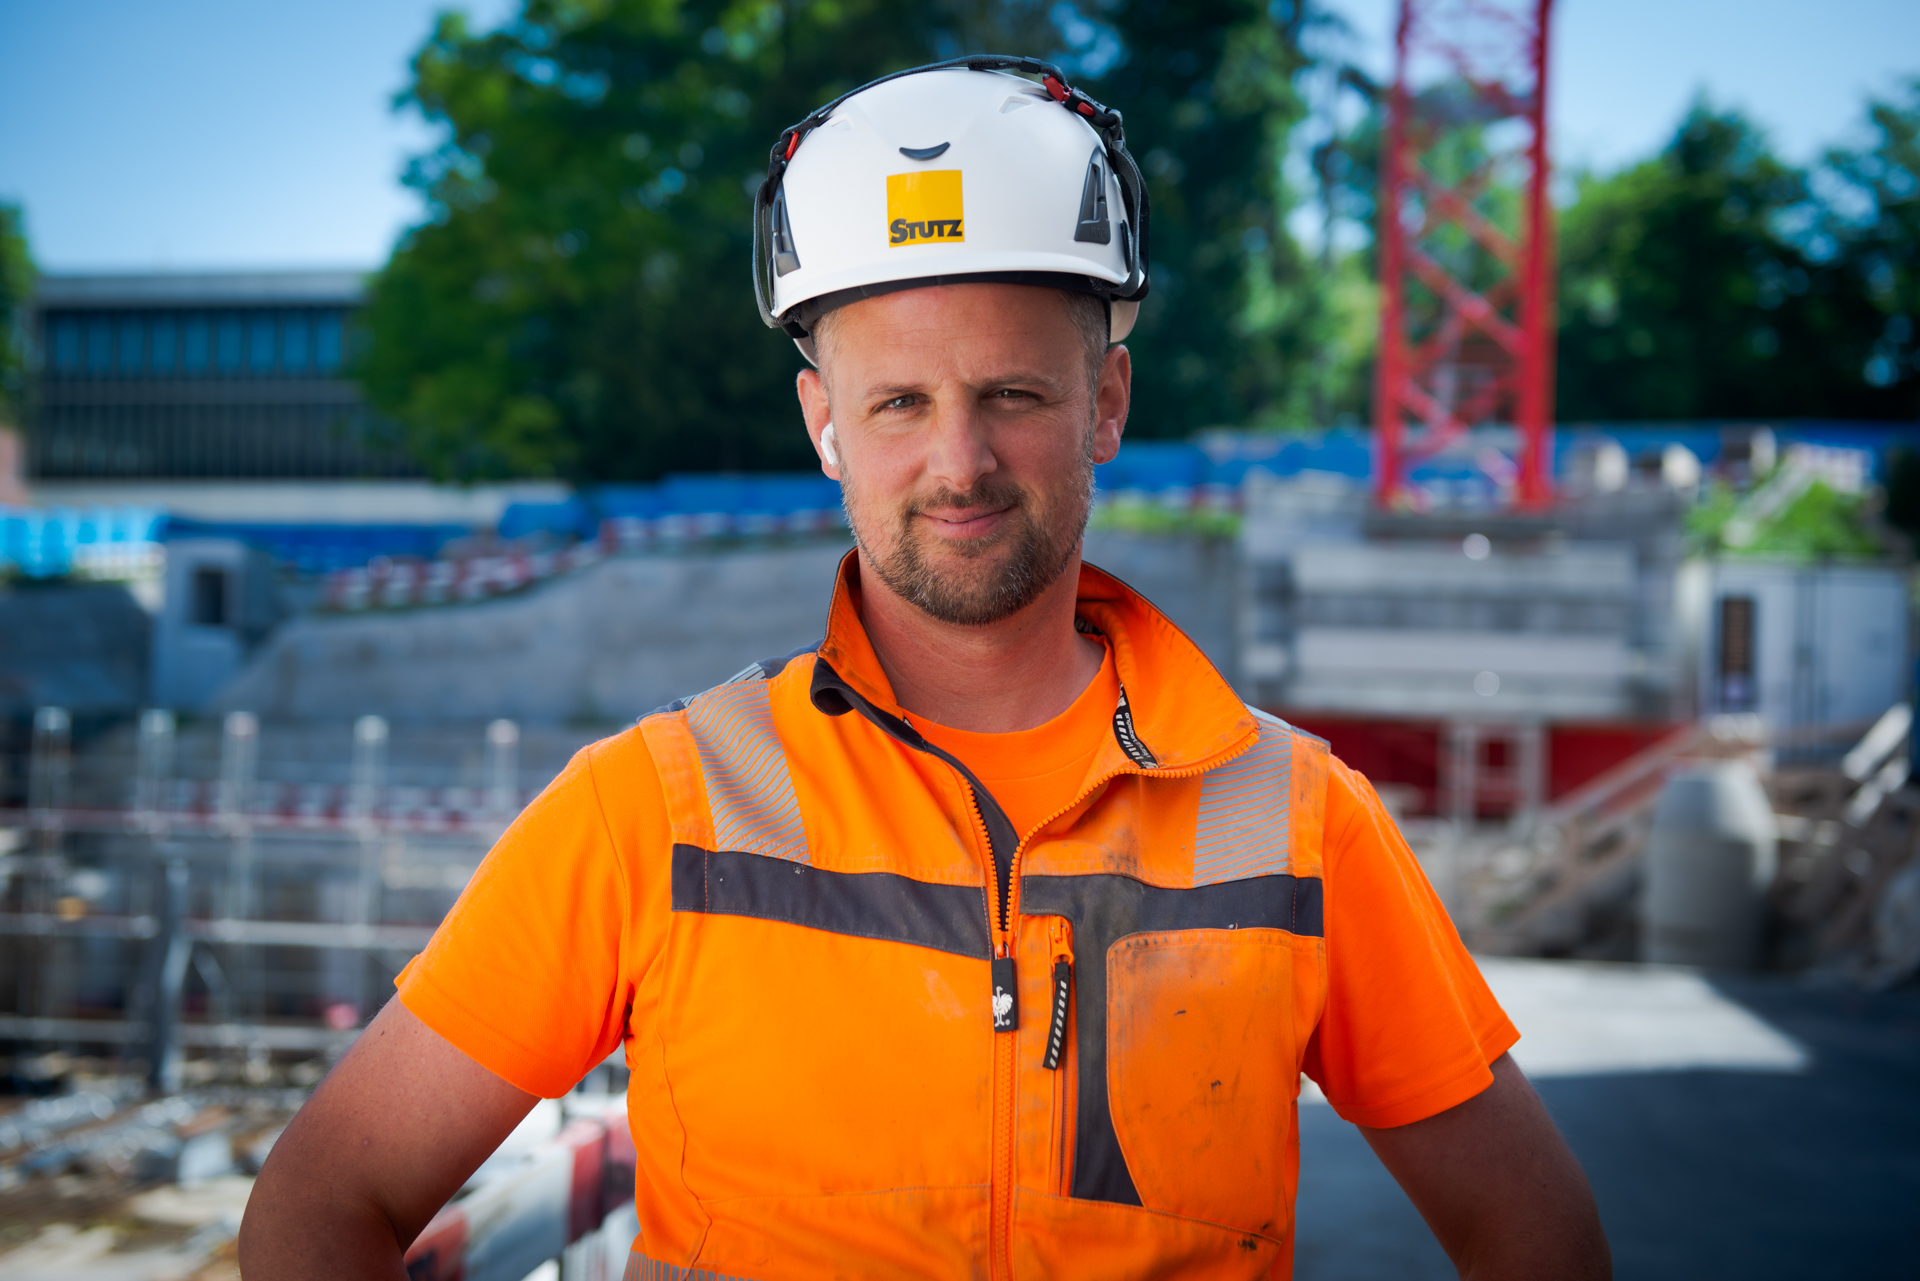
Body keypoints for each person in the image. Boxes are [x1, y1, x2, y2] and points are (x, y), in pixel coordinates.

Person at [240, 58, 1609, 1280]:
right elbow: (324, 1200)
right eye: (899, 403)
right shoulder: (655, 812)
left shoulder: (1298, 823)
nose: (959, 463)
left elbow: (1538, 1238)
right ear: (825, 424)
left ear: (1108, 405)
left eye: (1012, 393)